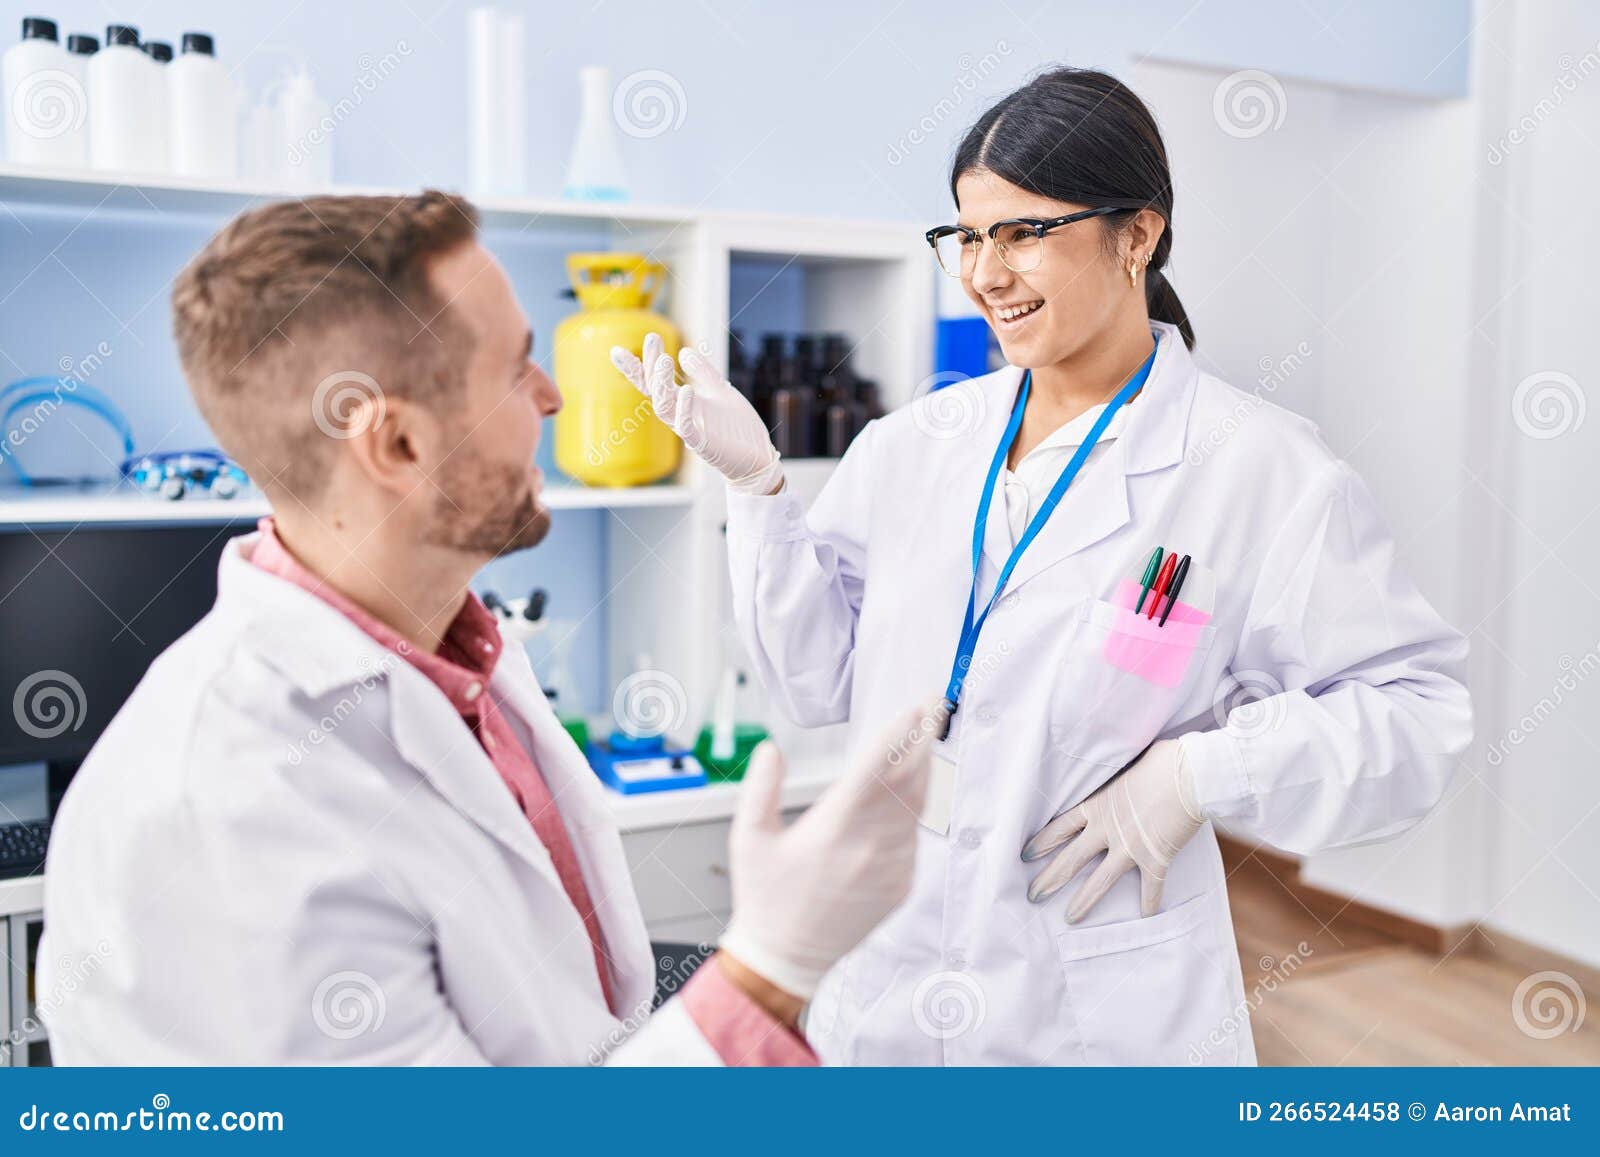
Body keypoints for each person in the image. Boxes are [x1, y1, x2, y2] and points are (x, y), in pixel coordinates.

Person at [612, 68, 1473, 1065]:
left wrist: (1198, 771)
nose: (983, 273)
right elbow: (813, 682)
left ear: (1137, 234)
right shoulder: (910, 447)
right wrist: (760, 491)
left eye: (1023, 232)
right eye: (967, 236)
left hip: (1097, 1012)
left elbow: (1417, 714)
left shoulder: (1261, 472)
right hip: (884, 980)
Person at [37, 191, 942, 1065]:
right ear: (396, 446)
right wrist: (765, 977)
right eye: (516, 367)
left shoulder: (454, 653)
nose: (551, 397)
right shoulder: (227, 811)